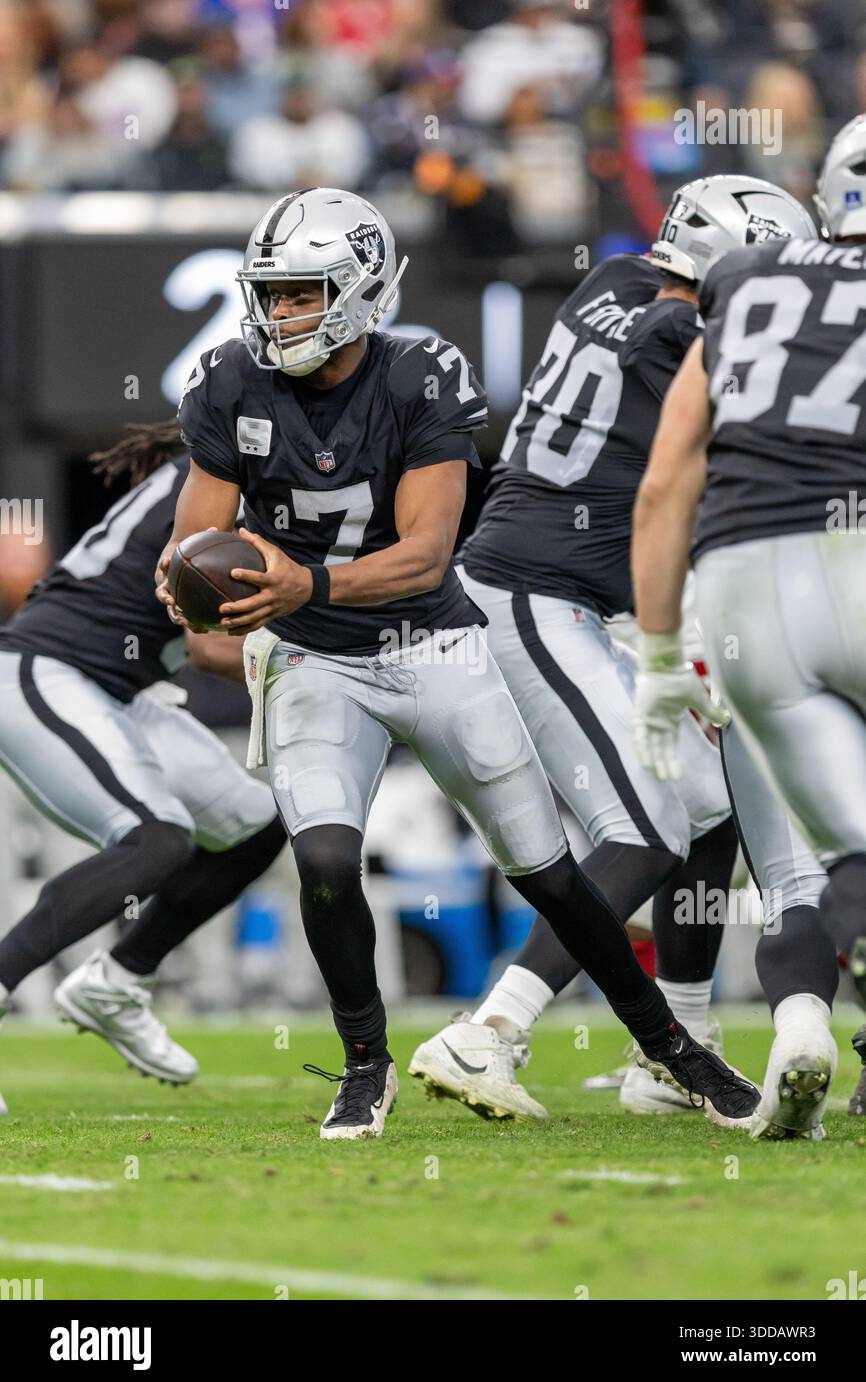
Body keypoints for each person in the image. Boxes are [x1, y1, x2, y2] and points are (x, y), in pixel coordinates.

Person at [159, 185, 758, 1140]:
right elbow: (196, 547)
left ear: (359, 290)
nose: (282, 314)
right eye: (272, 294)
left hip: (434, 645)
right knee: (322, 860)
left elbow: (427, 552)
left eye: (304, 293)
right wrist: (198, 591)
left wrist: (302, 585)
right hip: (317, 661)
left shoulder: (421, 373)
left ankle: (674, 1050)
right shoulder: (230, 381)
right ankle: (364, 1067)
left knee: (552, 873)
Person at [411, 176, 816, 1124]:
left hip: (562, 600)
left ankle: (672, 1043)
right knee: (644, 830)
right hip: (530, 599)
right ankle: (489, 1033)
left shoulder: (620, 281)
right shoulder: (686, 339)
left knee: (709, 808)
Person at [631, 115, 866, 1139]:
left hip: (735, 597)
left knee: (821, 860)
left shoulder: (743, 280)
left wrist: (652, 653)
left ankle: (801, 1025)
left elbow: (661, 487)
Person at [0, 422, 286, 1113]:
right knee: (155, 839)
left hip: (119, 688)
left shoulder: (224, 469)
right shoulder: (230, 483)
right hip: (47, 671)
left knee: (253, 828)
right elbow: (214, 650)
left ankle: (118, 978)